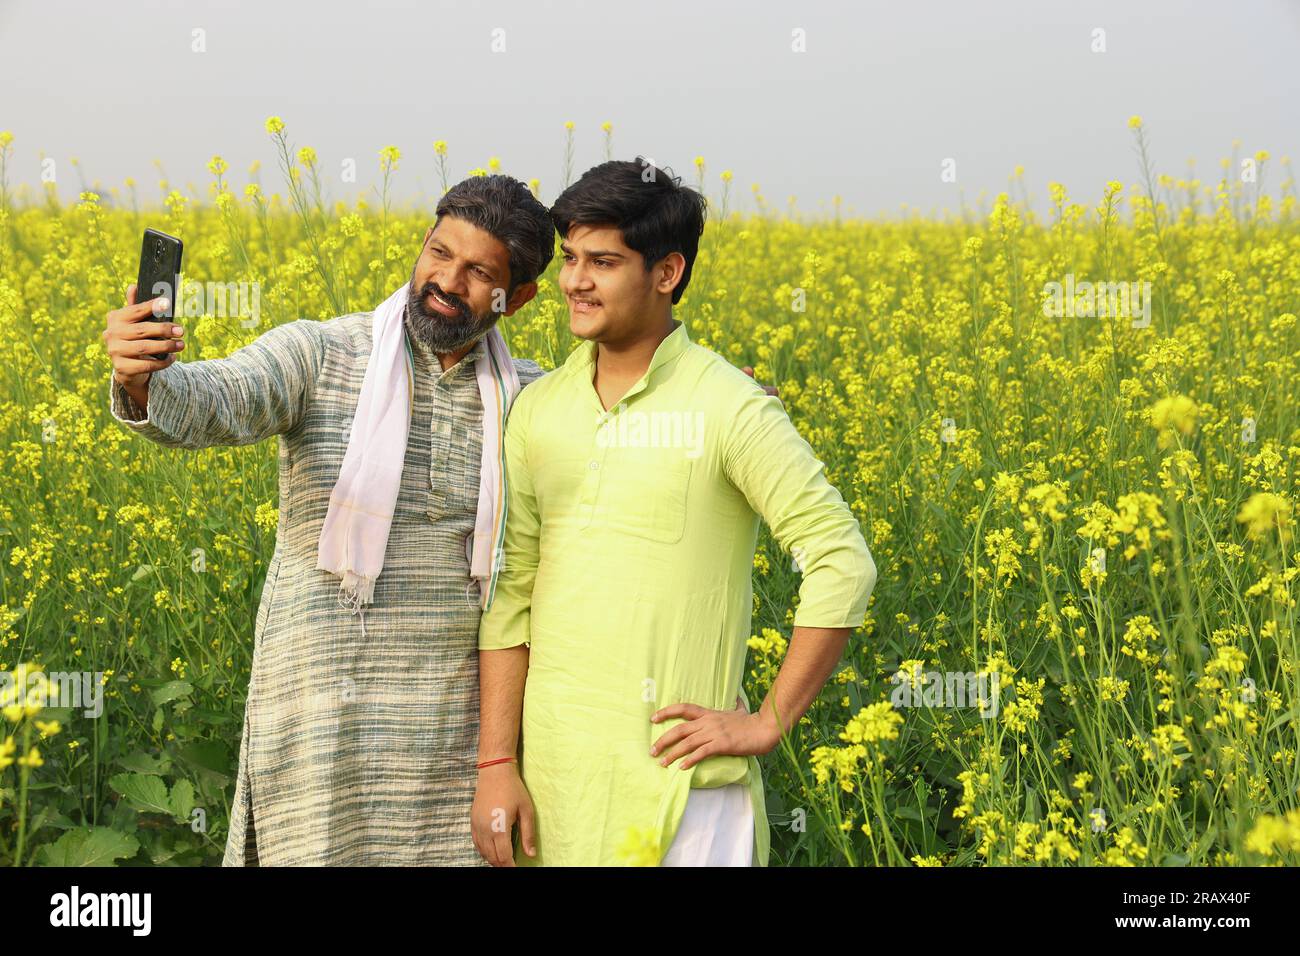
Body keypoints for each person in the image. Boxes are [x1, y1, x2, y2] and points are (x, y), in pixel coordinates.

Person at [104, 175, 553, 865]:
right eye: (438, 252)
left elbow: (624, 429)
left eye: (477, 272)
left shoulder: (533, 400)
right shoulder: (320, 355)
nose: (444, 280)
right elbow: (217, 399)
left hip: (448, 745)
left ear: (516, 297)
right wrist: (142, 377)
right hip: (321, 728)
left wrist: (713, 407)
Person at [472, 158, 878, 867]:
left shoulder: (730, 405)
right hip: (555, 789)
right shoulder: (537, 410)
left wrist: (768, 721)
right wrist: (496, 763)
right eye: (570, 259)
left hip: (683, 799)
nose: (575, 281)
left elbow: (842, 562)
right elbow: (512, 596)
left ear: (666, 273)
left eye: (602, 261)